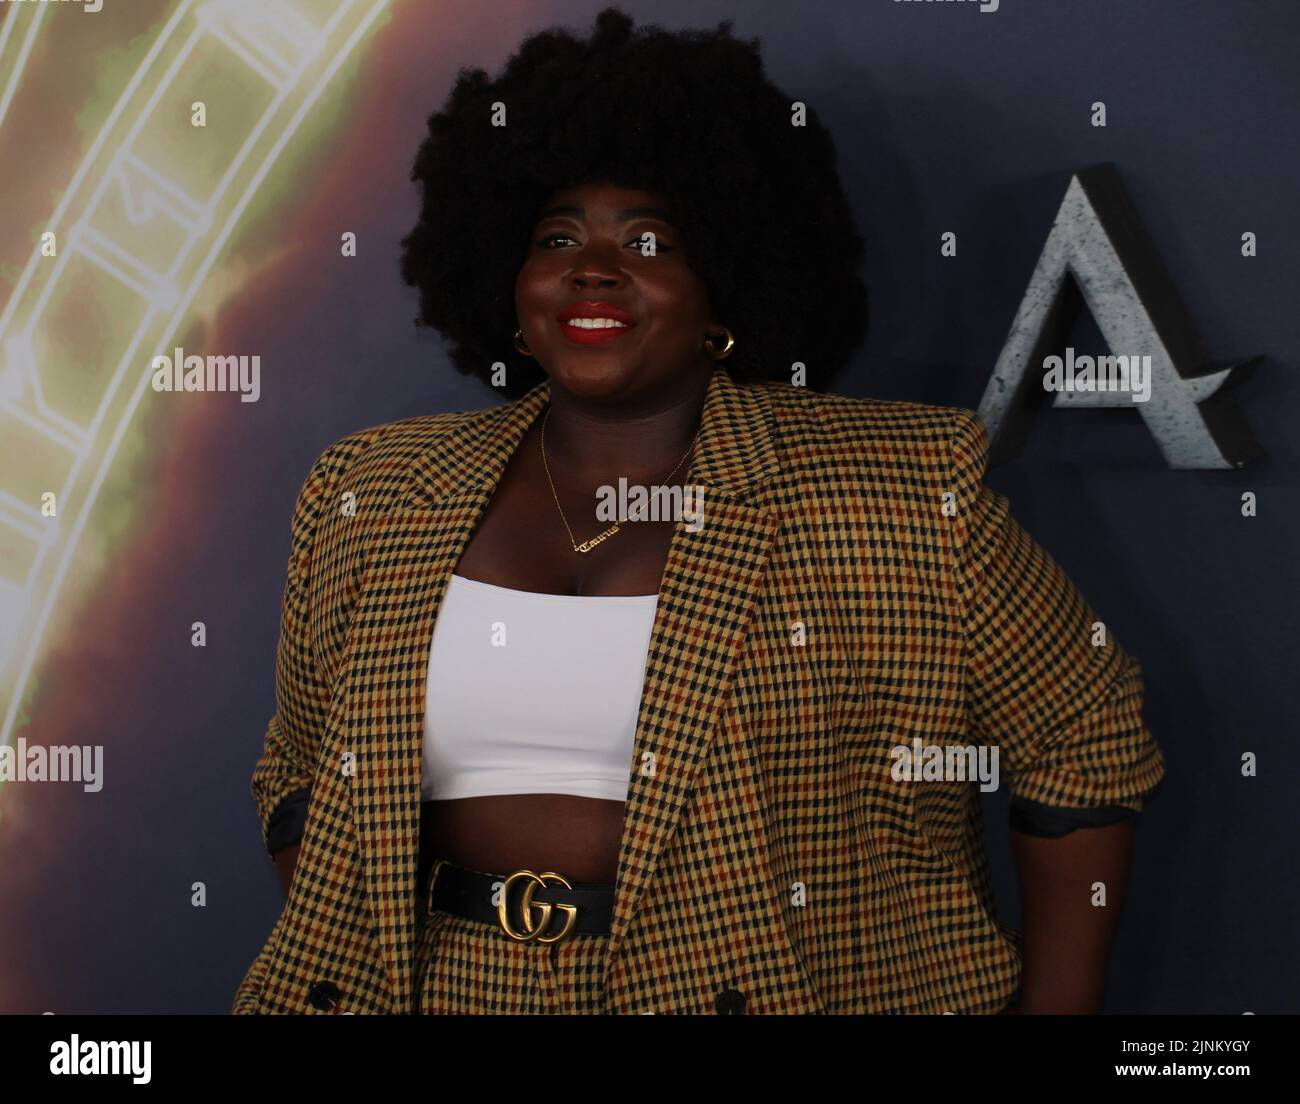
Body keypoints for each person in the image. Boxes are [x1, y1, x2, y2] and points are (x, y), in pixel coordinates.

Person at [233, 6, 1165, 1015]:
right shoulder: (370, 490)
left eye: (648, 239)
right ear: (509, 285)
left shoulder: (896, 487)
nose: (594, 265)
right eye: (557, 236)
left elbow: (1084, 737)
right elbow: (298, 765)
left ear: (724, 291)